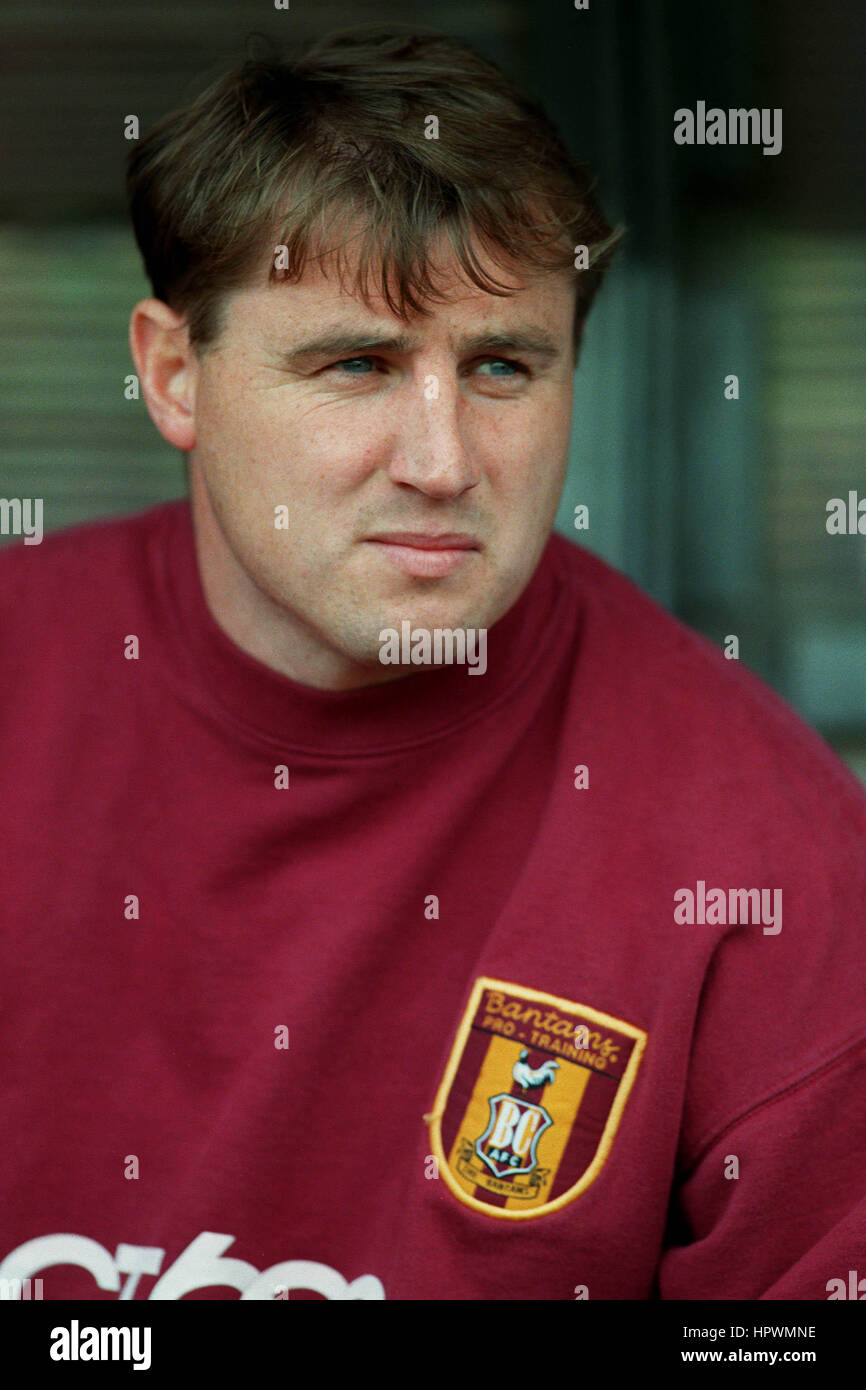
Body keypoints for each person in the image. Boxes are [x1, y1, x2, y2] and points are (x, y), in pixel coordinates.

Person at [1, 26, 864, 1302]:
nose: (442, 461)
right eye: (356, 363)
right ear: (174, 374)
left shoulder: (767, 855)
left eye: (502, 366)